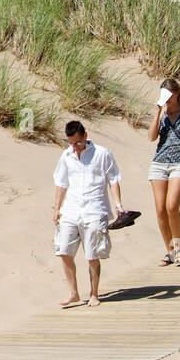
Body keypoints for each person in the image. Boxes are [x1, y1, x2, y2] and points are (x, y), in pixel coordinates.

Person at [53, 120, 124, 307]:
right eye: (71, 143)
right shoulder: (66, 156)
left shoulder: (102, 154)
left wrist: (118, 205)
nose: (74, 147)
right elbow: (61, 184)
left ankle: (94, 293)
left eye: (77, 142)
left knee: (92, 255)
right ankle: (74, 293)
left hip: (95, 209)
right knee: (63, 250)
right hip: (70, 210)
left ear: (85, 136)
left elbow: (113, 180)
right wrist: (56, 208)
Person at [147, 78, 180, 266]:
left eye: (169, 95)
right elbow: (151, 137)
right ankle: (169, 251)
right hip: (159, 164)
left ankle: (178, 247)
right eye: (164, 95)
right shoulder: (161, 114)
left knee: (172, 206)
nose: (167, 99)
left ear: (177, 94)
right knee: (160, 209)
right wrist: (157, 113)